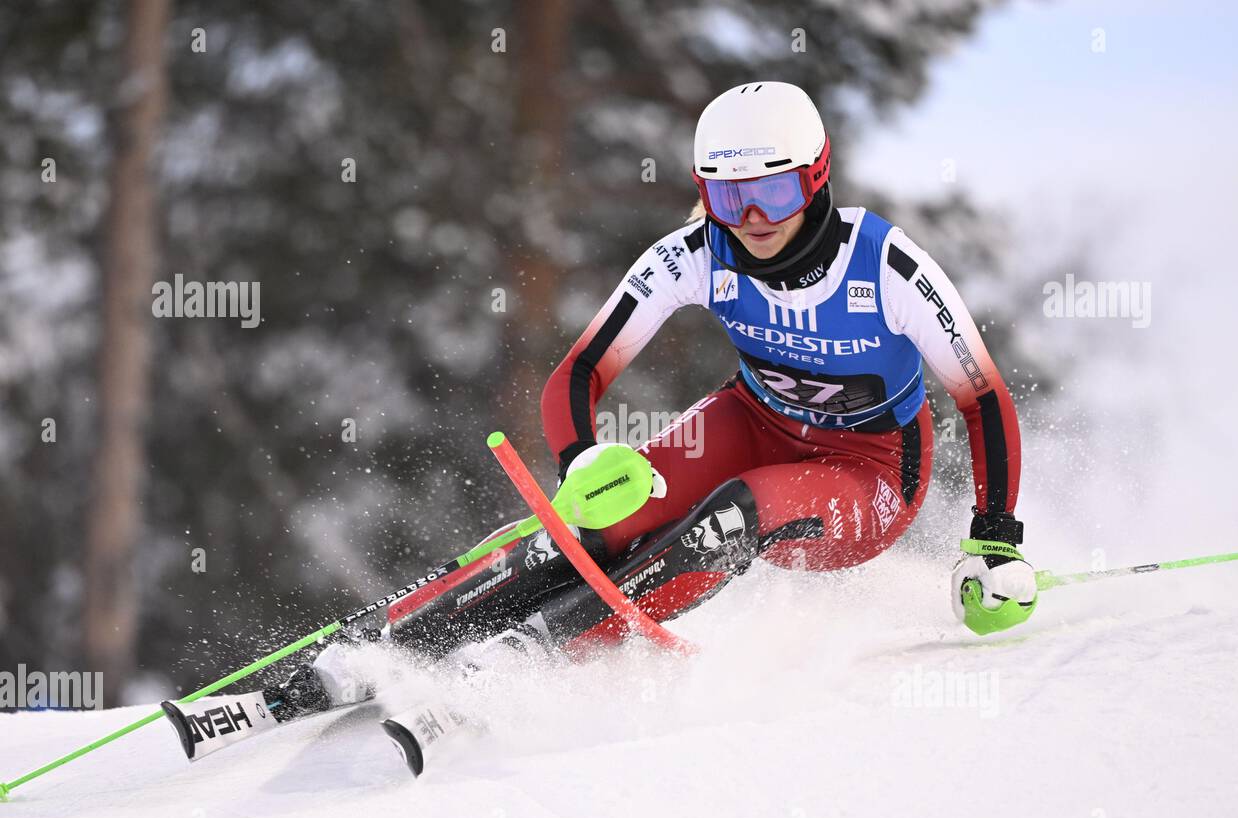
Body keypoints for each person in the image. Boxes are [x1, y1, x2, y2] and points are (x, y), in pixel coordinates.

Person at [268, 81, 1037, 719]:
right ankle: (398, 635)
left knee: (733, 513)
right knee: (597, 518)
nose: (755, 220)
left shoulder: (889, 267)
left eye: (772, 191)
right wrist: (585, 458)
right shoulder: (698, 252)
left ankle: (534, 651)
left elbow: (985, 399)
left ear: (815, 178)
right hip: (754, 423)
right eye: (731, 198)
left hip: (868, 477)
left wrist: (995, 536)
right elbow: (579, 373)